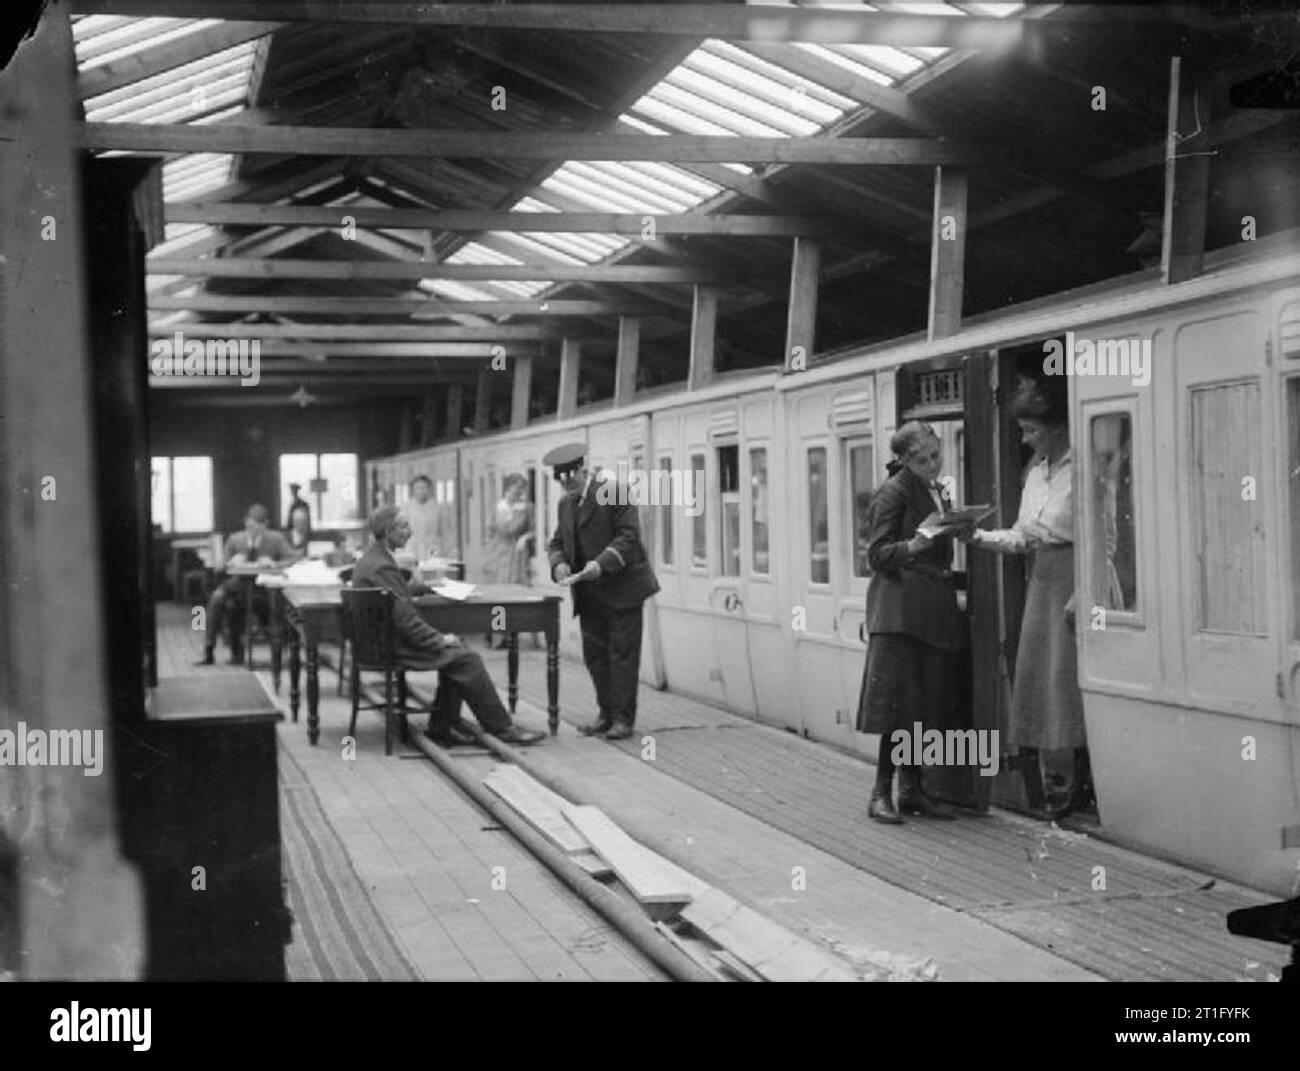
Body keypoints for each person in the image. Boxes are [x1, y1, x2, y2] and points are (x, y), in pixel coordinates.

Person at [962, 382, 1094, 820]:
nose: (1024, 440)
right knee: (1046, 686)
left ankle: (1084, 783)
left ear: (1058, 426)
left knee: (1073, 683)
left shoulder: (1085, 467)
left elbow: (1104, 536)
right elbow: (1023, 537)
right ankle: (1063, 781)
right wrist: (977, 537)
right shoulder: (1036, 473)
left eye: (1031, 430)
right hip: (1043, 580)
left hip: (1077, 580)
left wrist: (1086, 592)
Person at [351, 505, 544, 748]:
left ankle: (442, 727)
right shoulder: (382, 565)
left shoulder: (373, 559)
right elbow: (405, 620)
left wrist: (422, 588)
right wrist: (439, 639)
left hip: (380, 643)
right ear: (388, 532)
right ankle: (501, 728)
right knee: (467, 659)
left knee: (458, 654)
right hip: (393, 647)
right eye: (403, 526)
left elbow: (391, 596)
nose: (409, 531)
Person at [858, 422, 971, 824]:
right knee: (899, 708)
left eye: (935, 456)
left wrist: (960, 526)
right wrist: (913, 546)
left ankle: (912, 790)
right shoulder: (893, 492)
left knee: (922, 705)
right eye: (921, 460)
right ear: (904, 460)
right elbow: (876, 554)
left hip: (928, 610)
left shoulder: (938, 491)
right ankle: (880, 793)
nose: (931, 465)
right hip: (900, 613)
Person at [545, 443, 660, 741]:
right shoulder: (566, 504)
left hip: (622, 588)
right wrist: (558, 564)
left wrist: (602, 563)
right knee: (595, 656)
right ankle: (605, 713)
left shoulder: (614, 491)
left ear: (584, 468)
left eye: (571, 478)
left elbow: (629, 536)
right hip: (589, 592)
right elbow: (557, 542)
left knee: (622, 655)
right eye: (562, 481)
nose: (567, 485)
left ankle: (623, 719)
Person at [195, 504, 293, 665]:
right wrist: (232, 562)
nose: (252, 532)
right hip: (238, 586)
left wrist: (274, 563)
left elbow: (293, 559)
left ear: (264, 525)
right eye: (249, 527)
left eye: (256, 528)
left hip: (266, 590)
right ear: (246, 523)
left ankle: (272, 652)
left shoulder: (276, 539)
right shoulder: (236, 539)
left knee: (233, 606)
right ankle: (208, 649)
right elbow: (221, 565)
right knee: (217, 598)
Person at [405, 474, 446, 563]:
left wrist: (442, 550)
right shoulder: (406, 508)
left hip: (432, 549)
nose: (421, 491)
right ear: (413, 490)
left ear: (429, 489)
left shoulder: (437, 508)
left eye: (424, 487)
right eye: (418, 488)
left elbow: (443, 531)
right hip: (412, 549)